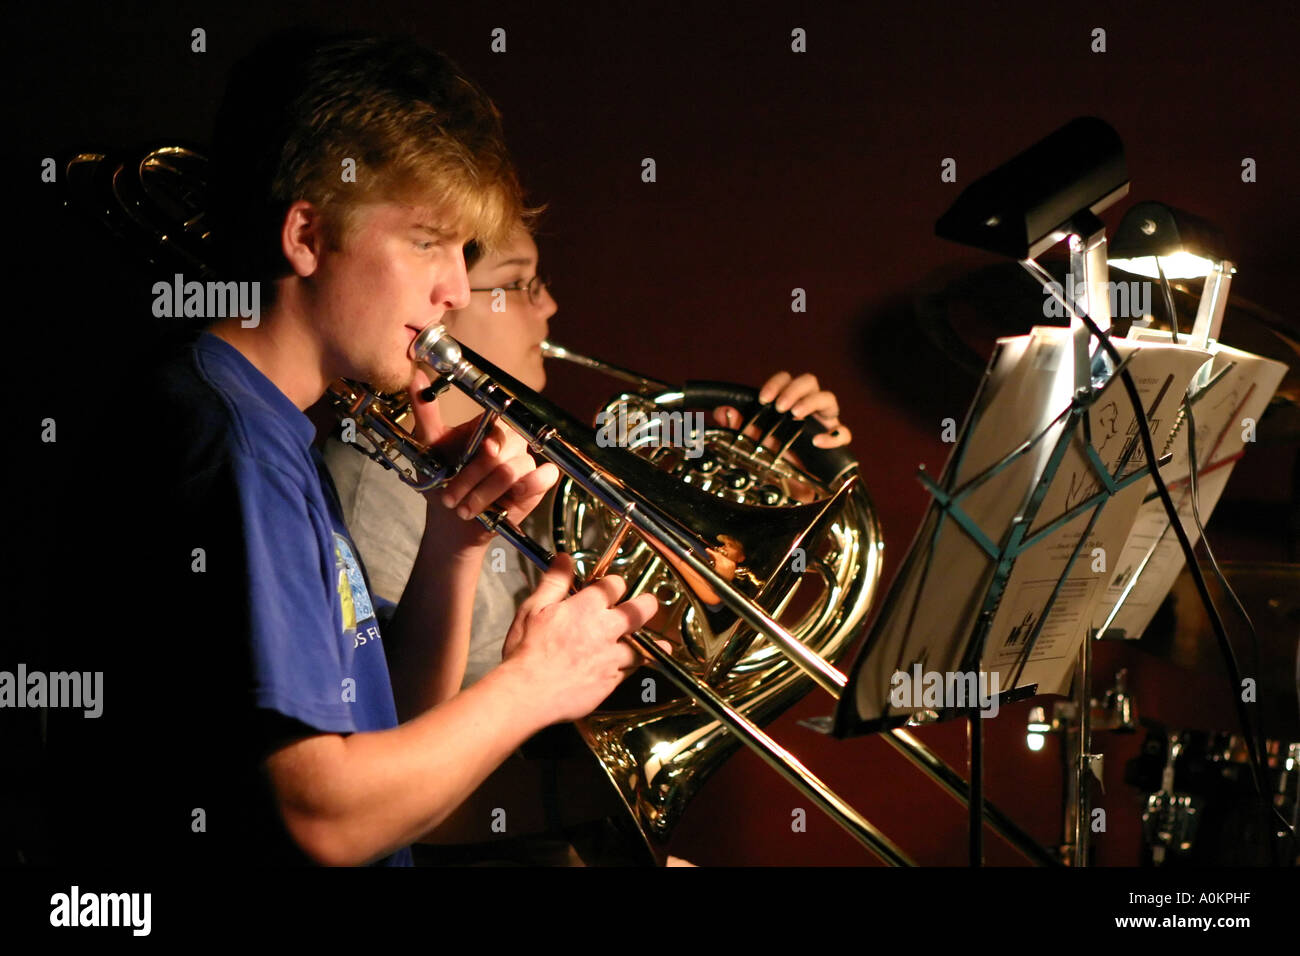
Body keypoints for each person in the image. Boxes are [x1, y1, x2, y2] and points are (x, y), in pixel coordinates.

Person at [48, 32, 660, 868]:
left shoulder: (274, 427)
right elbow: (325, 818)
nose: (454, 289)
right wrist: (534, 686)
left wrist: (454, 539)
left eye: (463, 254)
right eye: (426, 241)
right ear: (307, 234)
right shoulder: (235, 443)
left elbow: (390, 748)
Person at [321, 217, 855, 862]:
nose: (548, 305)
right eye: (519, 283)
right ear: (442, 305)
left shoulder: (526, 478)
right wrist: (598, 783)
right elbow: (397, 780)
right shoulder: (373, 489)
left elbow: (675, 626)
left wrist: (787, 478)